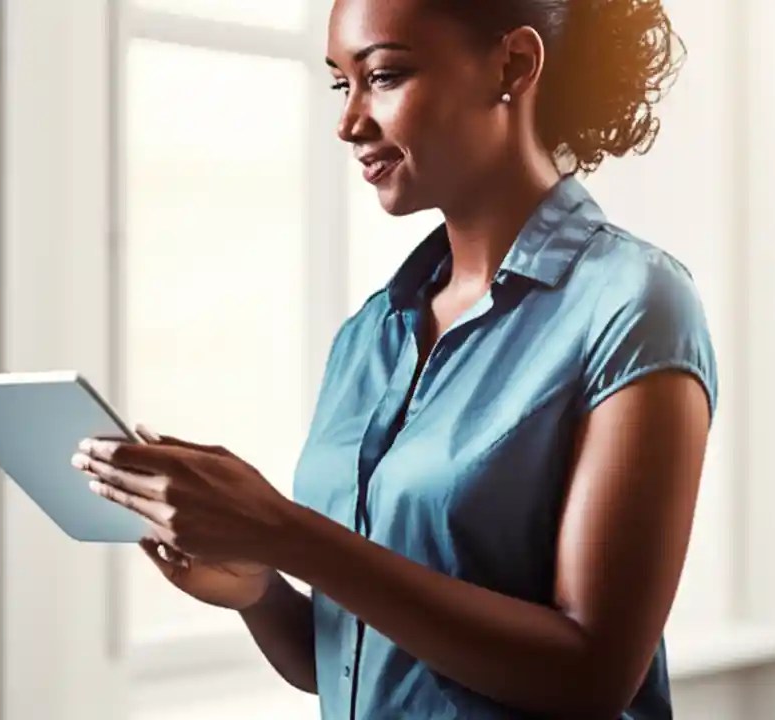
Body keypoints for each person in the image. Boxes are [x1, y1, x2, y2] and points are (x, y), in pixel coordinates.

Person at [69, 0, 714, 716]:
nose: (349, 123)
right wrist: (256, 587)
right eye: (341, 85)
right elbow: (343, 666)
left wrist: (283, 532)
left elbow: (591, 678)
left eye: (385, 76)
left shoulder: (633, 304)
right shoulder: (367, 336)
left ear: (514, 65)